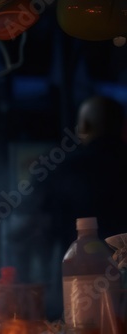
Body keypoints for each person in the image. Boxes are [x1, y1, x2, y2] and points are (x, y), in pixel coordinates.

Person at [31, 95, 127, 318]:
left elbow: (36, 228)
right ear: (122, 126)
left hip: (79, 294)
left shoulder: (61, 168)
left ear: (84, 126)